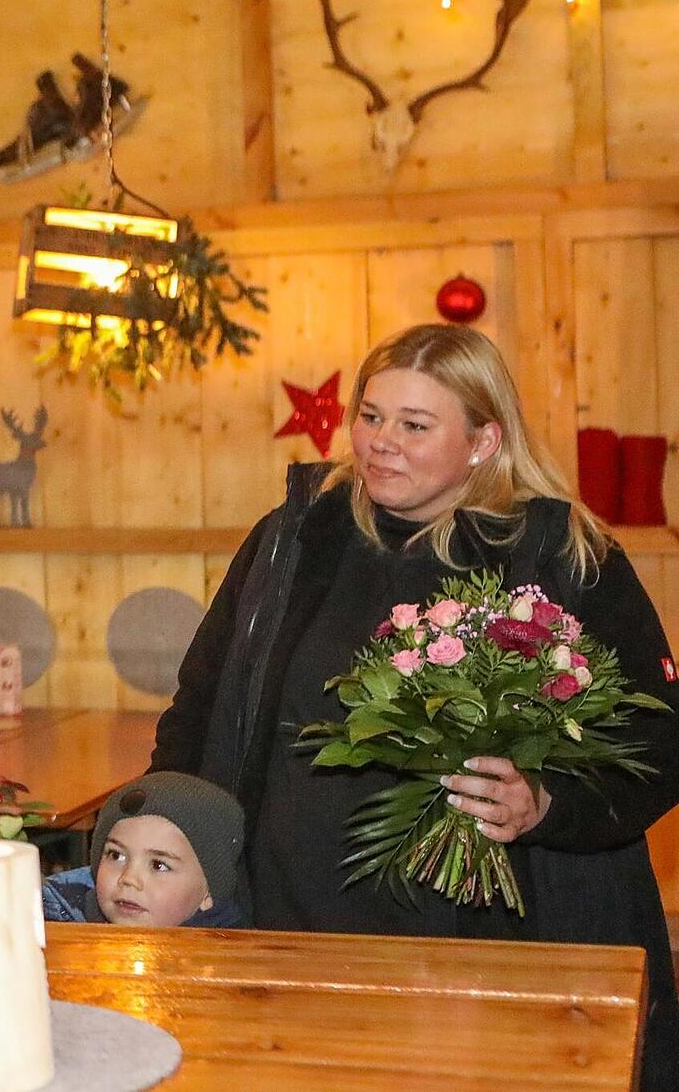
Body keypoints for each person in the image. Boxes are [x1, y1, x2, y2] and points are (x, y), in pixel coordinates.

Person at [151, 322, 679, 1086]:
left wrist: (546, 802)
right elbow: (201, 702)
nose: (380, 442)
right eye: (370, 415)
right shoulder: (295, 539)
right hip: (295, 921)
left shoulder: (560, 554)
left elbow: (658, 738)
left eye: (415, 424)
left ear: (483, 440)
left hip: (498, 938)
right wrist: (169, 833)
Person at [40, 771, 245, 927]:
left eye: (158, 865)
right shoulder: (58, 922)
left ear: (208, 893)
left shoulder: (230, 967)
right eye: (116, 855)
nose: (129, 878)